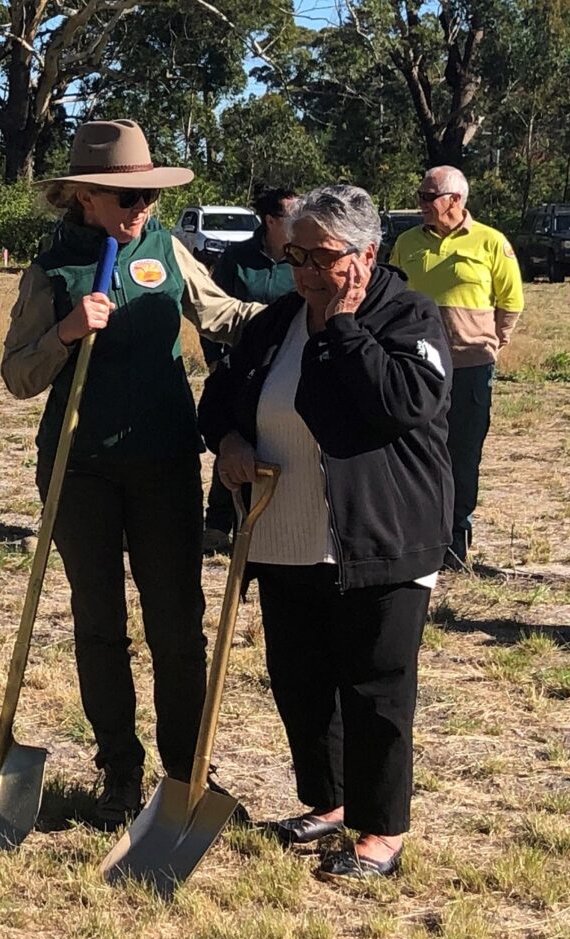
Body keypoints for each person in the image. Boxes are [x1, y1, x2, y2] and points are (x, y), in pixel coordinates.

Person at [1, 119, 265, 829]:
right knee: (100, 625)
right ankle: (119, 770)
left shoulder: (166, 250)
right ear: (83, 196)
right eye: (124, 197)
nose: (139, 208)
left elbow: (228, 315)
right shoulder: (50, 270)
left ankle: (186, 776)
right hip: (78, 470)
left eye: (146, 195)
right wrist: (64, 333)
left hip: (164, 464)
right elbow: (17, 376)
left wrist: (307, 309)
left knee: (178, 627)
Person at [198, 185, 453, 880]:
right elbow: (218, 398)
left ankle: (380, 831)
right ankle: (330, 802)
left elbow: (401, 404)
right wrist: (226, 441)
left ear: (367, 255)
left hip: (379, 536)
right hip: (281, 531)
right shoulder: (275, 321)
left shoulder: (408, 316)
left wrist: (344, 326)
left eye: (323, 257)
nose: (306, 271)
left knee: (375, 687)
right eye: (296, 255)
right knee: (302, 680)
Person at [390, 165, 524, 569]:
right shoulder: (407, 242)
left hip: (470, 367)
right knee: (412, 448)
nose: (422, 204)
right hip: (416, 367)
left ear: (456, 200)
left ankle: (455, 536)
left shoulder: (491, 243)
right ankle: (416, 533)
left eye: (429, 197)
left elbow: (511, 302)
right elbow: (393, 293)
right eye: (420, 195)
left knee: (462, 450)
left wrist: (489, 344)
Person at [201, 186, 297, 554]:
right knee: (231, 440)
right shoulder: (236, 258)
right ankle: (217, 523)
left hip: (285, 366)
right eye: (291, 215)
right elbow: (210, 312)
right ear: (270, 221)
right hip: (238, 367)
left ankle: (258, 521)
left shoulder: (300, 258)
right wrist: (215, 361)